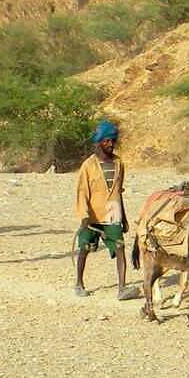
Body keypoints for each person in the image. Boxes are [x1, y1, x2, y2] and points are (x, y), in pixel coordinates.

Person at [74, 121, 137, 300]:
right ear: (99, 142)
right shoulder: (88, 165)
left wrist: (123, 218)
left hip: (113, 215)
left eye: (112, 141)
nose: (111, 144)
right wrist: (83, 216)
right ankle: (79, 283)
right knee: (84, 249)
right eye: (107, 141)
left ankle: (122, 289)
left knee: (120, 249)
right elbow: (82, 192)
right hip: (93, 216)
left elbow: (118, 191)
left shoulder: (119, 163)